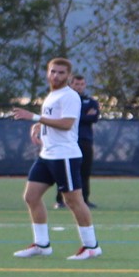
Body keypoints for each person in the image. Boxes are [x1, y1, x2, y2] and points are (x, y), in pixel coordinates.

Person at [11, 57, 101, 260]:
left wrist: (33, 117)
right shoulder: (52, 95)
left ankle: (91, 246)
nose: (56, 75)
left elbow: (67, 123)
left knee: (73, 201)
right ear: (47, 73)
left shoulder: (69, 96)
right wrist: (38, 126)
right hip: (47, 155)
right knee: (31, 197)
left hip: (64, 156)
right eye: (53, 71)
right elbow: (52, 120)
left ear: (68, 76)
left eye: (61, 72)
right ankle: (42, 244)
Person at [56, 74, 101, 209]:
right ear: (71, 85)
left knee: (84, 171)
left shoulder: (91, 101)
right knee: (65, 170)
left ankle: (84, 200)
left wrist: (81, 116)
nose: (79, 87)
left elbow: (94, 118)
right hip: (68, 141)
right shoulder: (65, 100)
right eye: (76, 84)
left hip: (85, 140)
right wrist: (84, 115)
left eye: (82, 84)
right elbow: (68, 118)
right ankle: (61, 200)